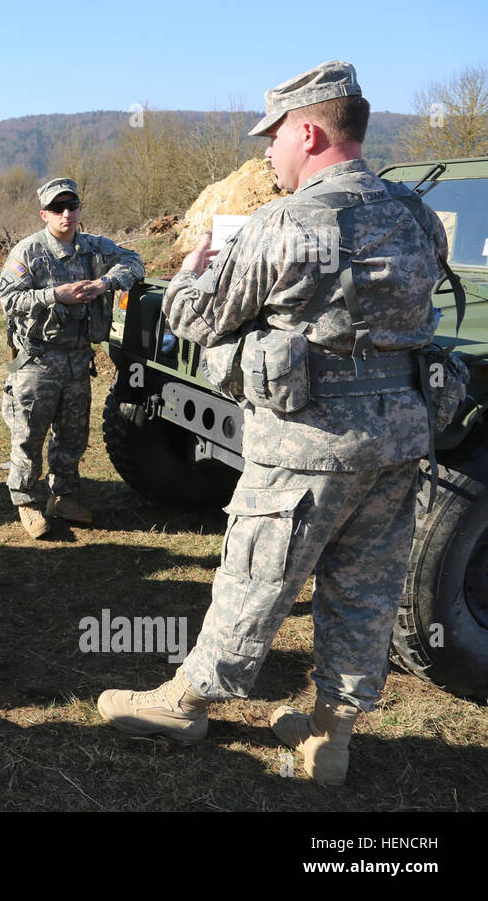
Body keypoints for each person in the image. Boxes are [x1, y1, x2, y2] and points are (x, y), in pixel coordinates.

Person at [97, 61, 447, 786]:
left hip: (306, 445)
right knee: (364, 590)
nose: (266, 150)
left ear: (311, 132)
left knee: (255, 577)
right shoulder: (413, 213)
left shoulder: (285, 222)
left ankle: (186, 701)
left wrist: (197, 267)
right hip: (398, 440)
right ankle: (331, 739)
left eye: (276, 134)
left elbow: (193, 317)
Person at [0, 178, 143, 537]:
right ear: (44, 213)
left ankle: (62, 495)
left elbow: (135, 263)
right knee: (29, 434)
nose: (67, 214)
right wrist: (53, 295)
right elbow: (8, 299)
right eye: (58, 208)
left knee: (73, 433)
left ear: (79, 209)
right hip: (38, 360)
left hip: (78, 358)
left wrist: (104, 284)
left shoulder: (94, 247)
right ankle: (27, 502)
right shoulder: (29, 252)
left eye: (72, 206)